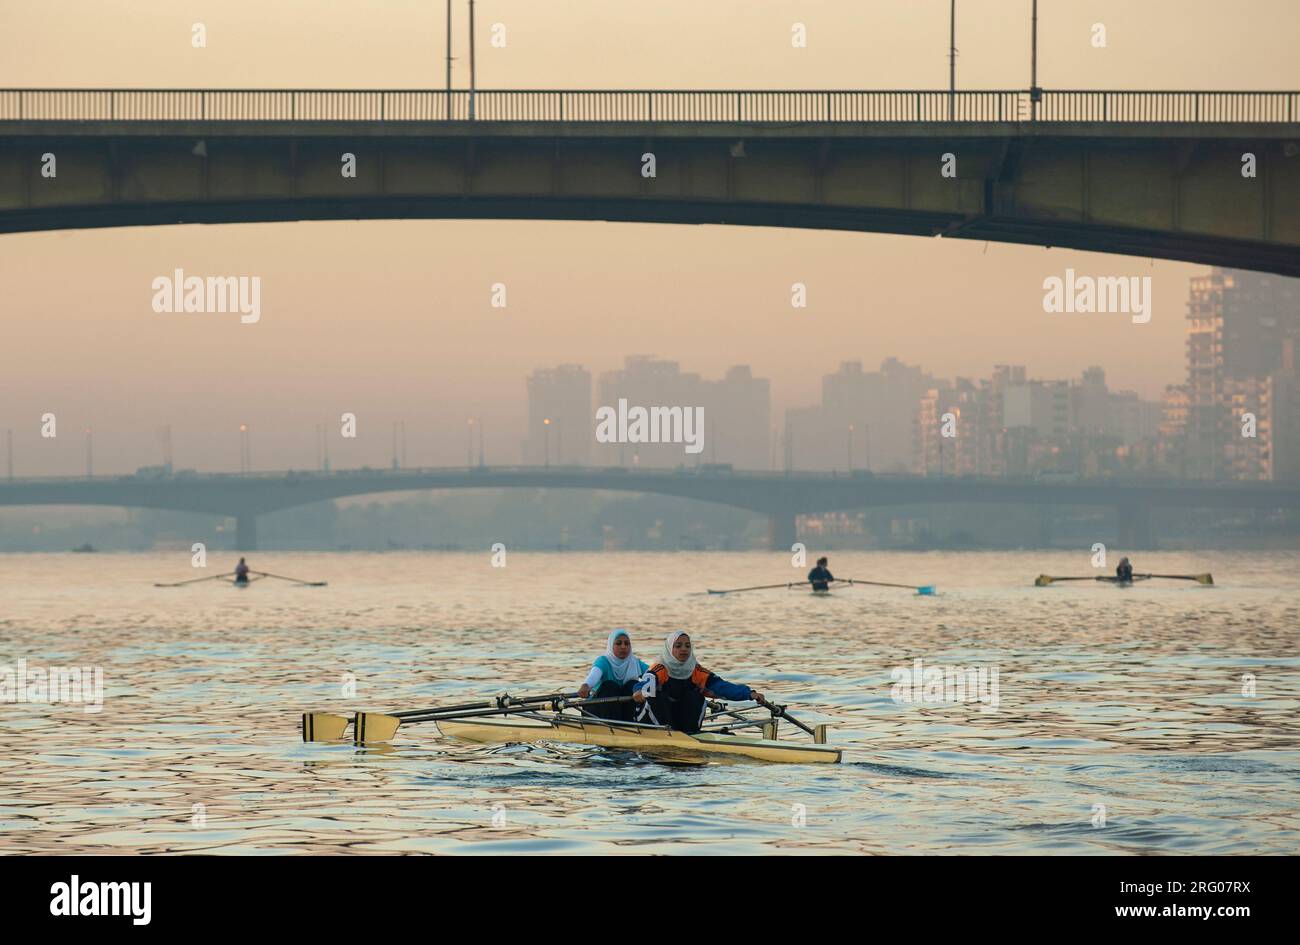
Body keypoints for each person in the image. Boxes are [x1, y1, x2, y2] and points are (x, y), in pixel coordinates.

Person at [631, 631, 764, 734]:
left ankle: (689, 732)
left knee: (696, 697)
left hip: (677, 720)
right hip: (651, 722)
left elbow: (721, 687)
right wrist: (639, 691)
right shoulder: (660, 668)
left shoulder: (696, 670)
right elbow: (645, 684)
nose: (684, 649)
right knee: (657, 697)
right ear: (669, 649)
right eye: (678, 646)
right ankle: (667, 733)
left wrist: (749, 694)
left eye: (687, 646)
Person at [577, 629, 648, 721]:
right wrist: (586, 685)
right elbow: (594, 675)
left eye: (627, 644)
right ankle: (613, 725)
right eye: (618, 643)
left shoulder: (635, 662)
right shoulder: (603, 661)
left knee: (633, 684)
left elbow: (653, 674)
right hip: (596, 712)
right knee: (610, 686)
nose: (623, 647)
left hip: (621, 711)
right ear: (611, 645)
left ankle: (628, 724)